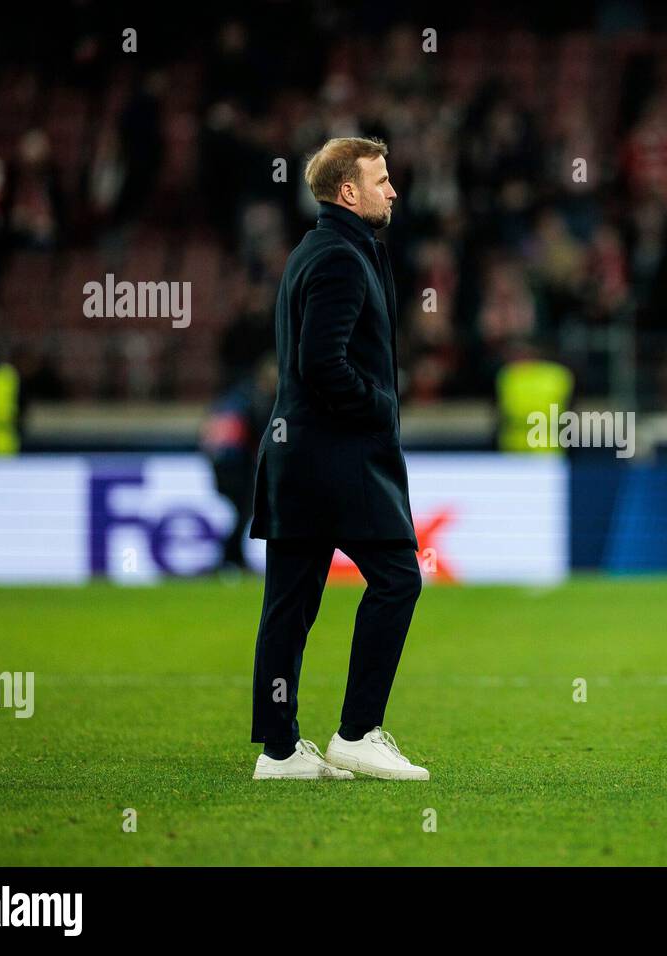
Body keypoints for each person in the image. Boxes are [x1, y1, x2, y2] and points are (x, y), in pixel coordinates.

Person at [248, 136, 427, 781]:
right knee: (397, 578)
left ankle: (280, 750)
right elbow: (322, 364)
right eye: (382, 180)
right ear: (348, 192)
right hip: (336, 462)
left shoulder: (317, 251)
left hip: (300, 460)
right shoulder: (341, 260)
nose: (393, 189)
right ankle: (358, 733)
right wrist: (379, 407)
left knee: (289, 605)